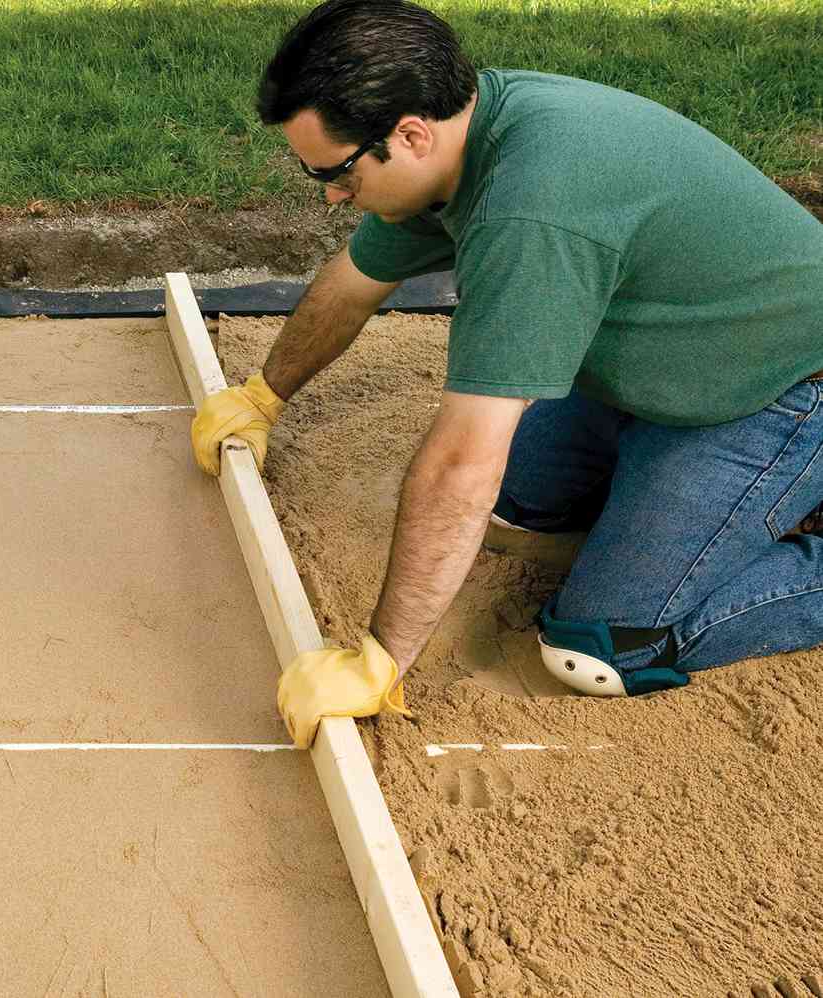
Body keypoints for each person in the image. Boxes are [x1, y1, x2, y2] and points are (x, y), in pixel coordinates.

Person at [189, 0, 823, 747]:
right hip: (670, 367)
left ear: (410, 134)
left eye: (333, 172)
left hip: (781, 388)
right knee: (512, 512)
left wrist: (381, 660)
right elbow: (353, 281)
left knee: (596, 650)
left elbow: (464, 456)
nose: (328, 193)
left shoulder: (533, 212)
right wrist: (265, 395)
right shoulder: (457, 144)